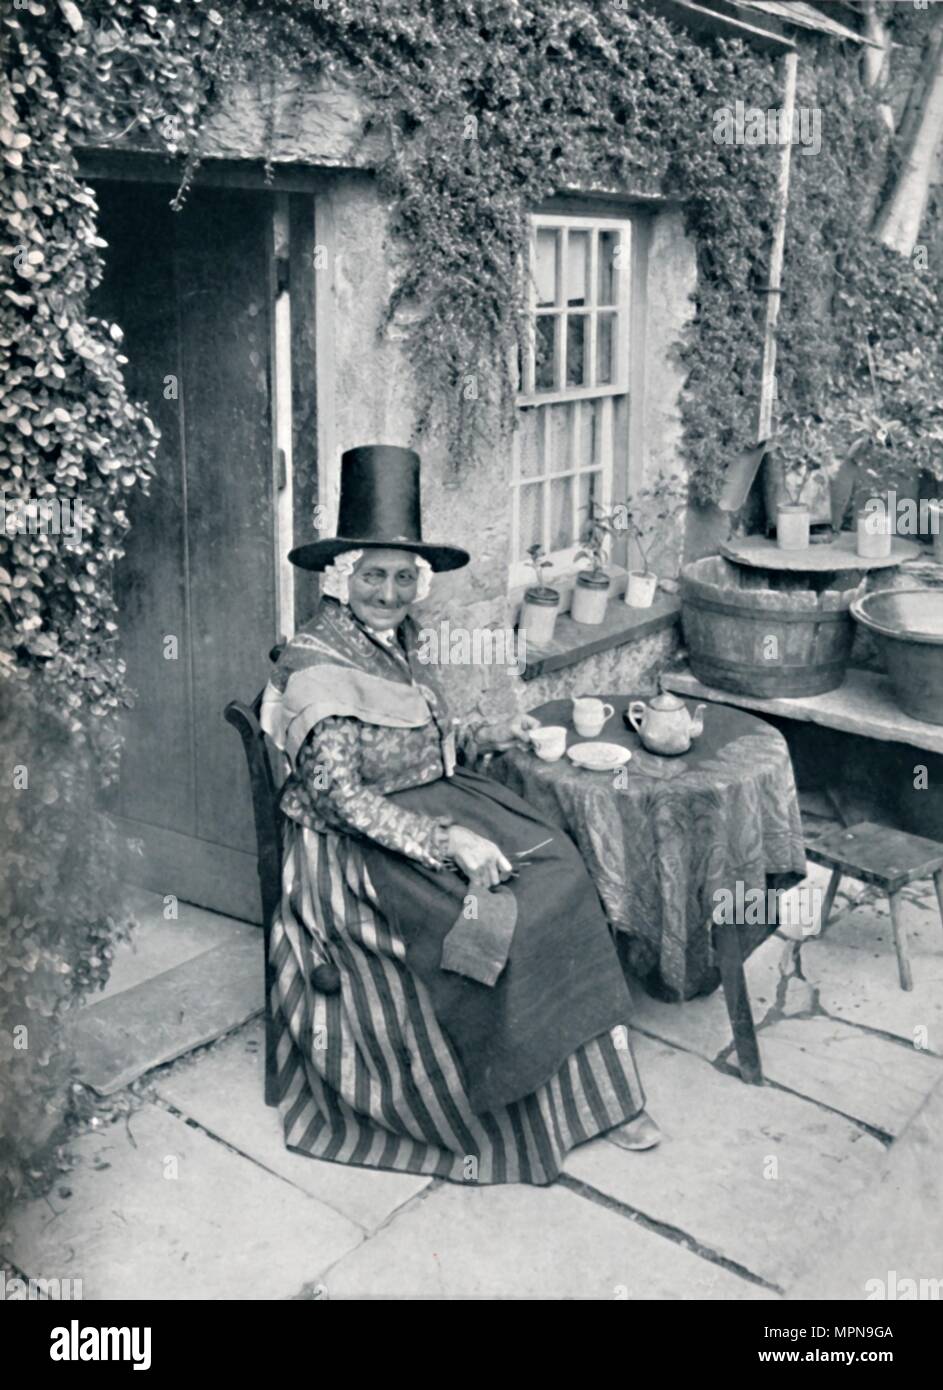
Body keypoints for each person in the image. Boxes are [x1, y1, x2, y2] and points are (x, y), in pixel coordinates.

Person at [260, 445, 660, 1185]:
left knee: (563, 871)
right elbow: (339, 798)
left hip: (427, 802)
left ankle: (593, 1094)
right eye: (373, 574)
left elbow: (417, 737)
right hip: (353, 851)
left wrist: (483, 735)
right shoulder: (316, 658)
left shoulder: (395, 640)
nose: (388, 590)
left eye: (402, 576)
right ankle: (504, 1105)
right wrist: (448, 842)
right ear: (342, 578)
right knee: (501, 912)